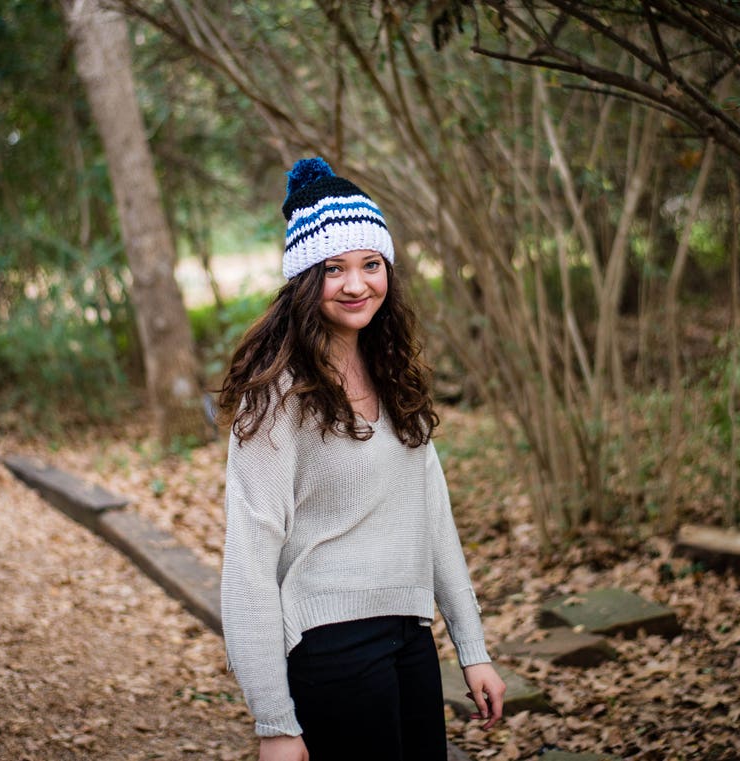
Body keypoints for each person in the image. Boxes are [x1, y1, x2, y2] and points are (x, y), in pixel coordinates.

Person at [218, 157, 506, 761]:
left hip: (410, 637)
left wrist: (472, 649)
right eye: (334, 269)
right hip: (331, 651)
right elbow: (248, 564)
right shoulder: (277, 395)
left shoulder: (394, 374)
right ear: (303, 279)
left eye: (370, 264)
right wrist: (273, 720)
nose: (357, 284)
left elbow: (434, 521)